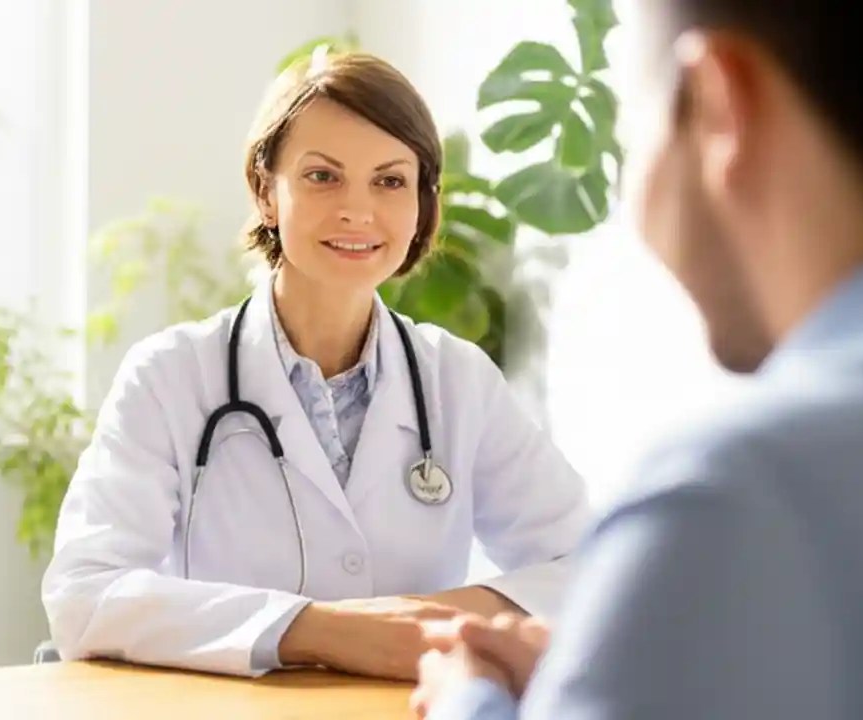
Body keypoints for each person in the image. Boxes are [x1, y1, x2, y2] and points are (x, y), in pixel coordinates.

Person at [412, 0, 863, 717]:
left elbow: (560, 545)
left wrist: (471, 701)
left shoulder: (741, 489)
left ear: (719, 106)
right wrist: (642, 661)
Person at [40, 51, 592, 680]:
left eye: (390, 181)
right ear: (264, 191)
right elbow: (85, 594)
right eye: (323, 176)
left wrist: (424, 617)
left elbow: (593, 563)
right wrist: (323, 631)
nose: (358, 211)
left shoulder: (457, 381)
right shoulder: (170, 377)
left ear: (421, 203)